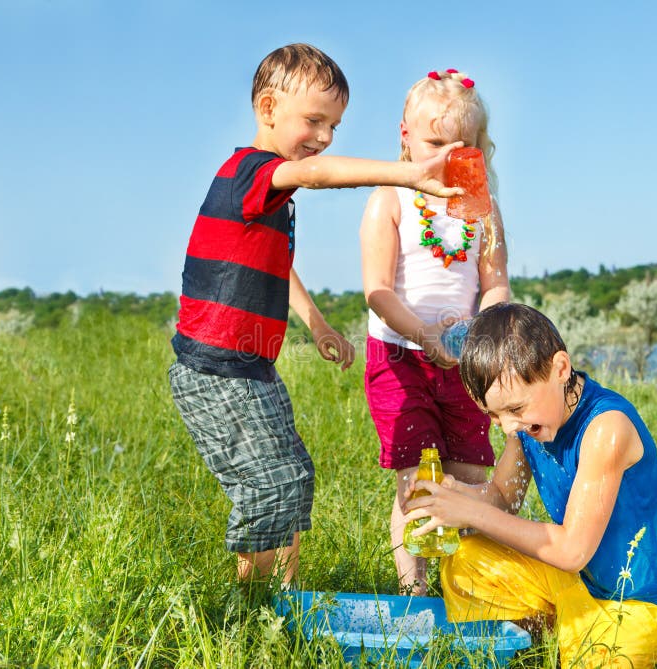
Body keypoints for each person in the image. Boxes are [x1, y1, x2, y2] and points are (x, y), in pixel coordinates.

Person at [168, 44, 464, 588]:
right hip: (215, 369)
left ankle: (284, 598)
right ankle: (252, 604)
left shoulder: (267, 198)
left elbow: (278, 265)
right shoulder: (250, 173)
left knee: (292, 477)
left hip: (250, 369)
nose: (325, 136)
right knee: (269, 482)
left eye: (334, 125)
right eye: (314, 120)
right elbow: (321, 173)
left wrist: (317, 323)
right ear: (267, 108)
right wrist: (408, 174)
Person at [403, 302, 657, 668]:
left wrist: (471, 511)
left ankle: (581, 641)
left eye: (515, 410)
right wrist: (456, 495)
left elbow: (571, 551)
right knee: (464, 560)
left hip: (635, 601)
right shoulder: (529, 422)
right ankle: (531, 642)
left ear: (561, 369)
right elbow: (504, 497)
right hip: (572, 582)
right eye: (494, 414)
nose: (506, 427)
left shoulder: (606, 429)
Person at [359, 68, 510, 595]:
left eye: (463, 144)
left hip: (464, 360)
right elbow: (377, 290)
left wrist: (473, 330)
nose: (450, 154)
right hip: (401, 356)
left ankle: (465, 588)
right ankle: (413, 592)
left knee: (469, 479)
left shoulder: (480, 211)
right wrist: (425, 334)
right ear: (406, 136)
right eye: (435, 141)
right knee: (416, 484)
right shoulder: (390, 200)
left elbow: (496, 285)